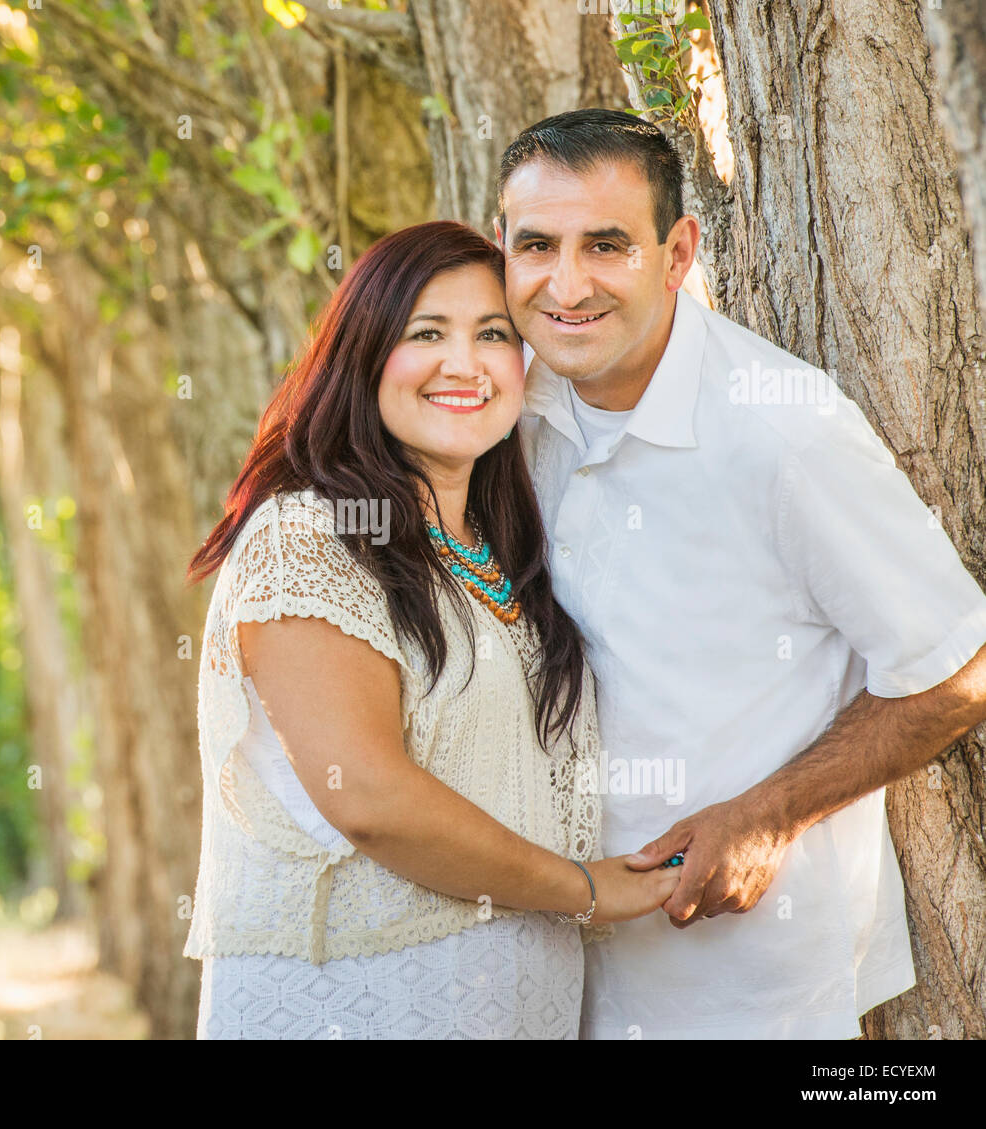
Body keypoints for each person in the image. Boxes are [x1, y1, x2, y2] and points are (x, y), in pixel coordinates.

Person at [494, 107, 986, 1039]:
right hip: (550, 968)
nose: (567, 284)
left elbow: (960, 663)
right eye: (537, 246)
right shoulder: (501, 400)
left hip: (745, 984)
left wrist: (768, 814)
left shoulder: (782, 430)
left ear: (677, 253)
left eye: (607, 245)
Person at [182, 219, 681, 1039]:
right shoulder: (308, 536)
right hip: (356, 1007)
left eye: (493, 334)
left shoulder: (498, 558)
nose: (464, 362)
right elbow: (369, 797)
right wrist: (585, 888)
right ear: (365, 356)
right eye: (426, 333)